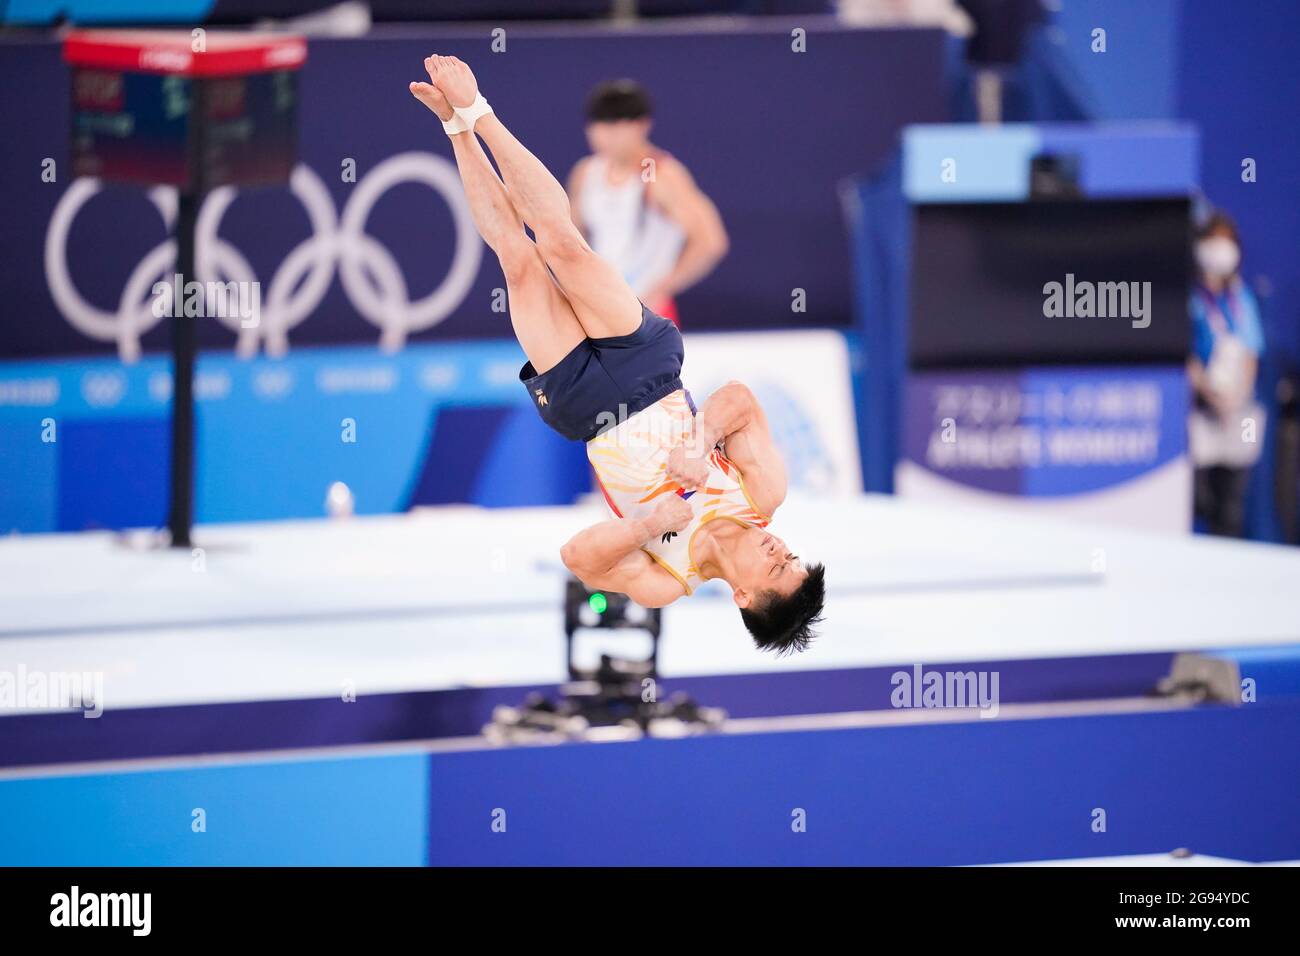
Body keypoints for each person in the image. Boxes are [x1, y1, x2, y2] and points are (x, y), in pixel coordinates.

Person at [409, 56, 823, 655]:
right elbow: (740, 399)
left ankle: (454, 126)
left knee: (519, 264)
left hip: (584, 405)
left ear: (743, 596)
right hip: (648, 372)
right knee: (562, 247)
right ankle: (478, 108)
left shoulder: (666, 582)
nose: (783, 552)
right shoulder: (764, 497)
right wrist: (699, 440)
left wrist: (651, 527)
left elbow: (577, 557)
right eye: (795, 558)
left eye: (780, 571)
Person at [565, 79, 729, 326]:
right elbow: (571, 238)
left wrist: (661, 289)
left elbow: (711, 242)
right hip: (601, 307)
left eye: (618, 124)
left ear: (642, 125)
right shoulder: (586, 173)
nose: (606, 134)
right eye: (600, 124)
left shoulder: (660, 175)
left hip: (646, 314)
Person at [1186, 210, 1266, 538]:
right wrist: (1208, 391)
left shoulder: (1241, 299)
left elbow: (1250, 351)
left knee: (1231, 505)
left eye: (1225, 243)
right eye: (1212, 241)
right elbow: (1187, 353)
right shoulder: (1192, 298)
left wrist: (1235, 396)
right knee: (1199, 499)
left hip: (1239, 408)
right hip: (1202, 406)